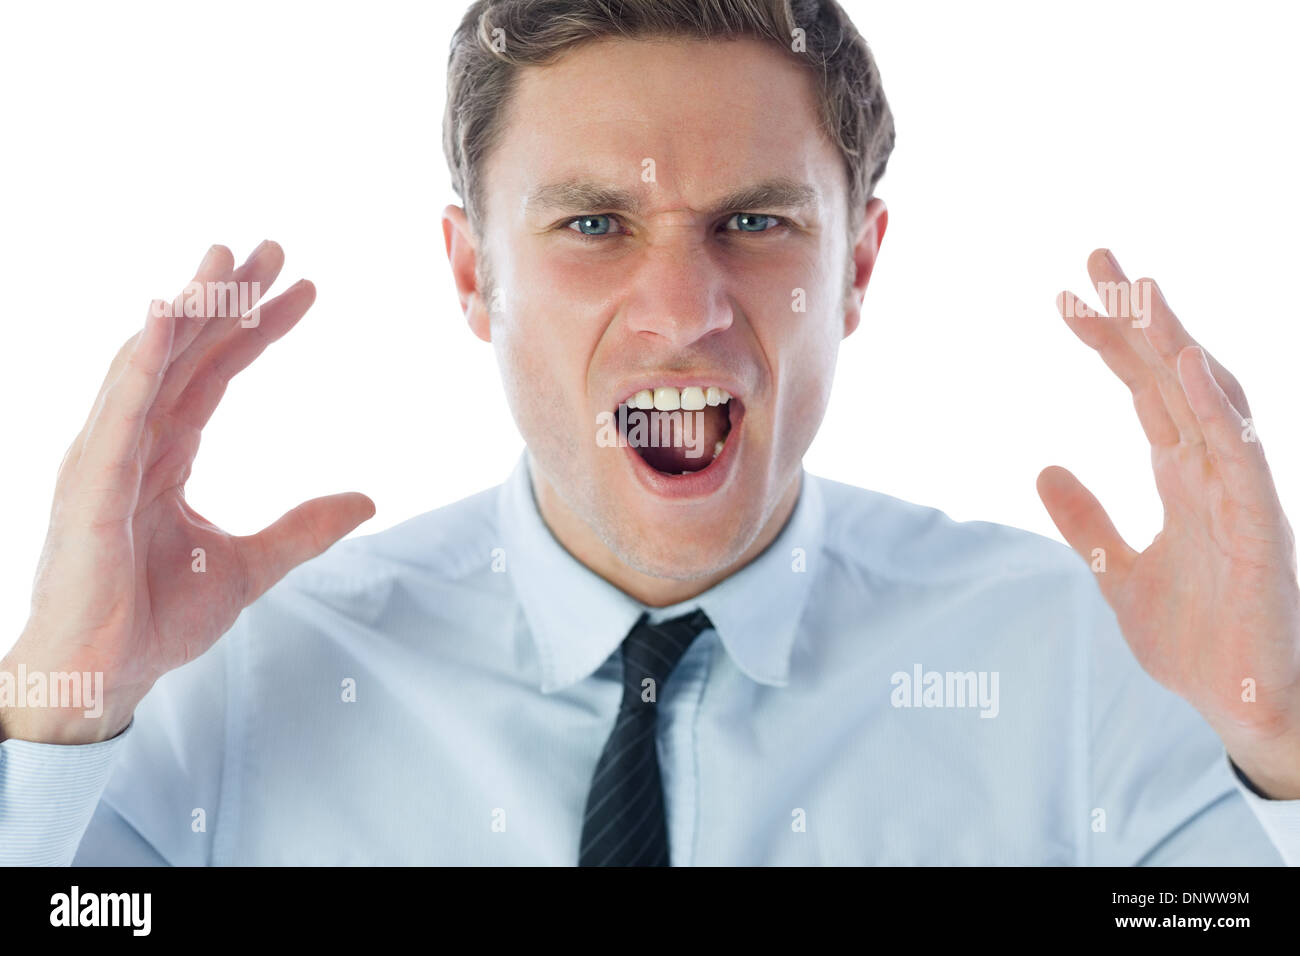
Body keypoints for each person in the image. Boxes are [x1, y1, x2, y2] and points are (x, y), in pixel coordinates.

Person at [2, 0, 1298, 866]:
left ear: (857, 269)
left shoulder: (1079, 670)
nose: (683, 314)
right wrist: (53, 704)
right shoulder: (232, 690)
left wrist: (1282, 741)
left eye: (754, 223)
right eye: (592, 226)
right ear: (470, 273)